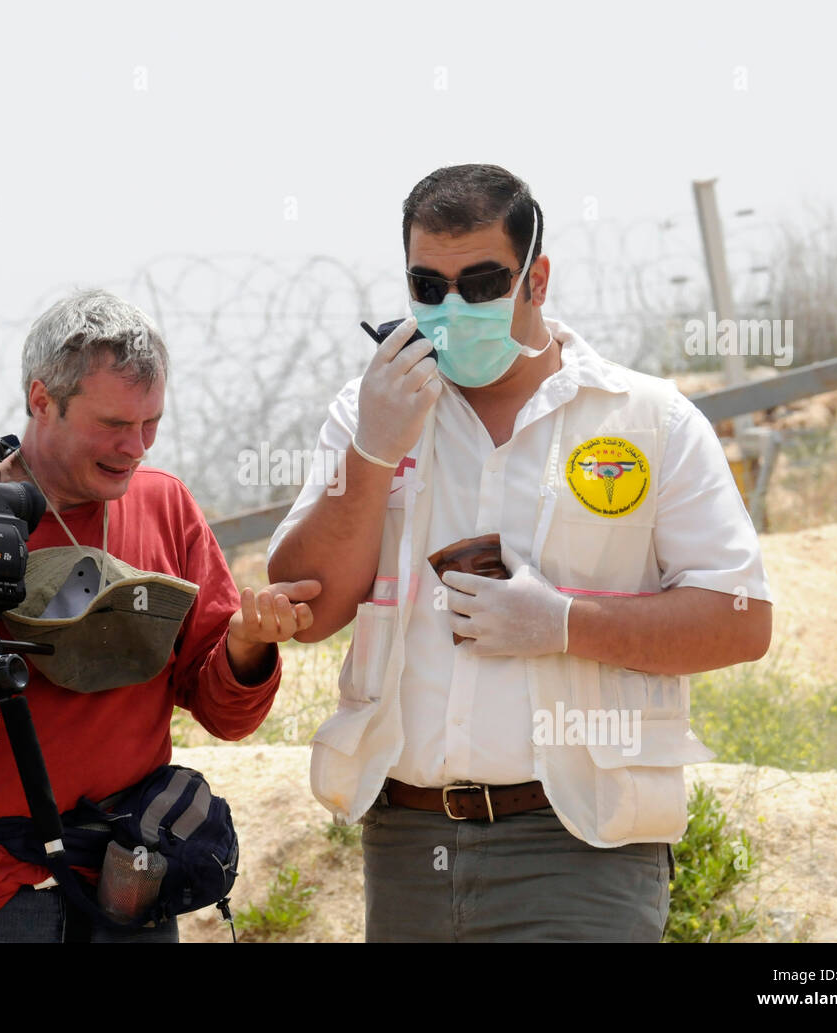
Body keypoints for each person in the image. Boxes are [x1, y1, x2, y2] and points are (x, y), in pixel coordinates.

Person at [267, 164, 773, 942]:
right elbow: (306, 605)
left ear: (536, 277)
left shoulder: (647, 419)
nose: (453, 306)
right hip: (409, 840)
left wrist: (565, 623)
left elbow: (741, 622)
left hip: (581, 842)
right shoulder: (372, 411)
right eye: (427, 287)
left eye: (481, 281)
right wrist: (371, 453)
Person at [0, 288, 320, 942]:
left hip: (128, 892)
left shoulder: (165, 508)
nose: (136, 447)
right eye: (114, 425)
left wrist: (247, 646)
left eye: (152, 423)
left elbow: (226, 712)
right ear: (41, 399)